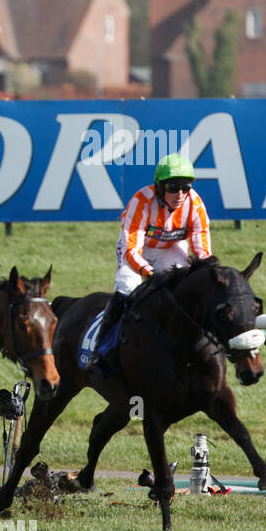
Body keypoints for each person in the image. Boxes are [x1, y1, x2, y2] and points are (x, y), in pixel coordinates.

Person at [86, 153, 211, 370]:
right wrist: (151, 274)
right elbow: (131, 249)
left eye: (185, 187)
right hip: (137, 251)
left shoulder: (195, 204)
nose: (180, 194)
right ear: (160, 187)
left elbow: (202, 251)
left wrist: (207, 272)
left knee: (185, 286)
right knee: (125, 287)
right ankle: (101, 350)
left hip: (170, 249)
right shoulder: (141, 201)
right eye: (173, 187)